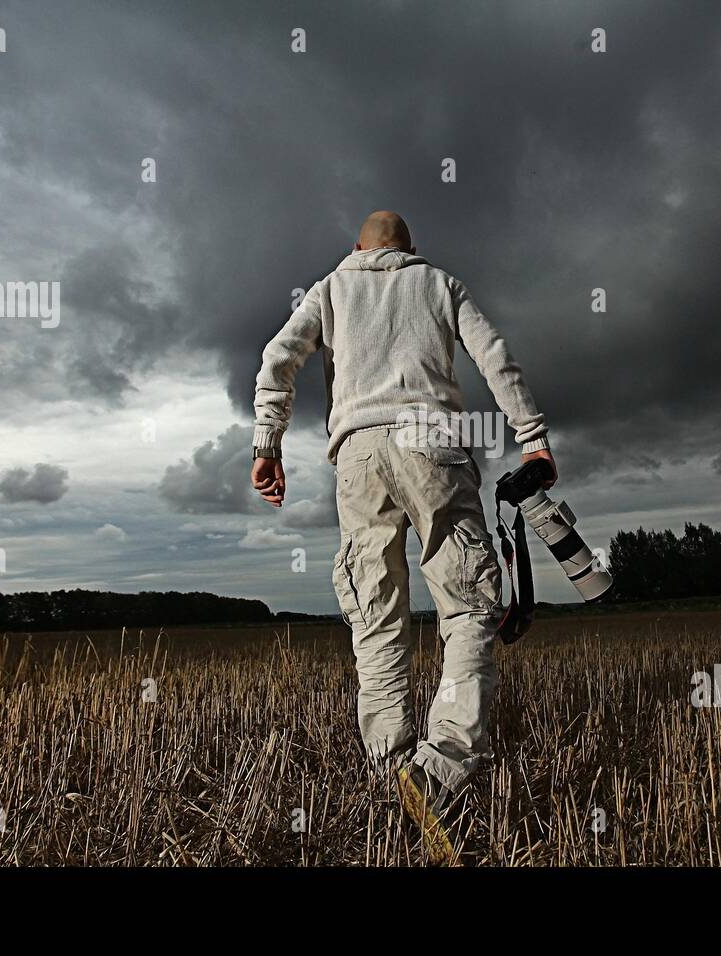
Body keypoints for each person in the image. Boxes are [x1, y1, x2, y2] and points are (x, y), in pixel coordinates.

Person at [249, 210, 555, 862]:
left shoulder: (331, 287)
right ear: (412, 249)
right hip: (433, 445)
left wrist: (267, 443)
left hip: (356, 454)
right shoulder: (440, 283)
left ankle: (391, 768)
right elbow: (495, 356)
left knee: (375, 614)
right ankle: (441, 763)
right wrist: (532, 442)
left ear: (356, 249)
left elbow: (280, 358)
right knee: (470, 603)